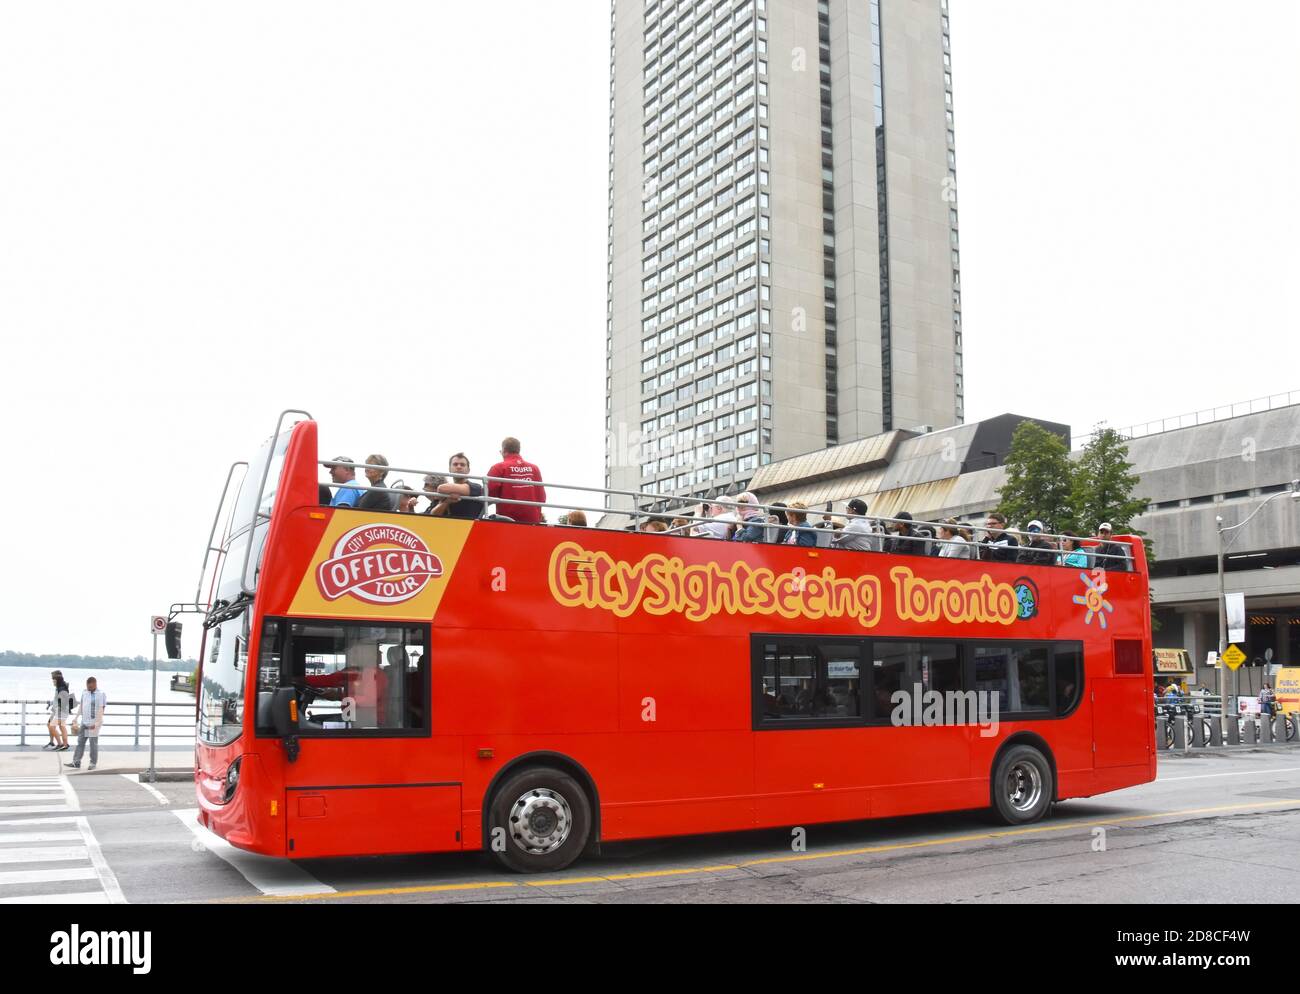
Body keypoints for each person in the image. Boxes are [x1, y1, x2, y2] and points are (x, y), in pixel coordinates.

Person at [487, 438, 546, 524]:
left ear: (503, 450)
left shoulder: (498, 467)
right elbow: (542, 497)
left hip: (506, 521)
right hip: (532, 520)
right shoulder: (535, 468)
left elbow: (489, 493)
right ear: (519, 450)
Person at [430, 453, 485, 520]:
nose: (459, 467)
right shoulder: (447, 491)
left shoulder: (476, 487)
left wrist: (446, 495)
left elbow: (441, 489)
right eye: (455, 464)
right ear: (449, 469)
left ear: (468, 470)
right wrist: (446, 502)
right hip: (447, 527)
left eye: (462, 465)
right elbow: (433, 515)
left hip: (470, 528)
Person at [68, 677, 106, 771]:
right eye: (87, 686)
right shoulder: (85, 692)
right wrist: (76, 718)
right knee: (80, 742)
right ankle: (76, 762)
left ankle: (93, 763)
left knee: (93, 744)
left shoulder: (100, 694)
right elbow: (82, 706)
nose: (89, 688)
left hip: (94, 723)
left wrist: (97, 723)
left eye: (91, 687)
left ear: (95, 684)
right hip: (84, 722)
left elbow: (101, 709)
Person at [45, 671, 71, 751]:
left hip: (61, 711)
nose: (52, 681)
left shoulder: (61, 688)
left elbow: (64, 701)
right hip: (61, 710)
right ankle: (65, 744)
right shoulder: (60, 687)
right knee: (61, 727)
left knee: (52, 727)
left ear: (57, 680)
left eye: (53, 679)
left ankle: (60, 744)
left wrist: (58, 710)